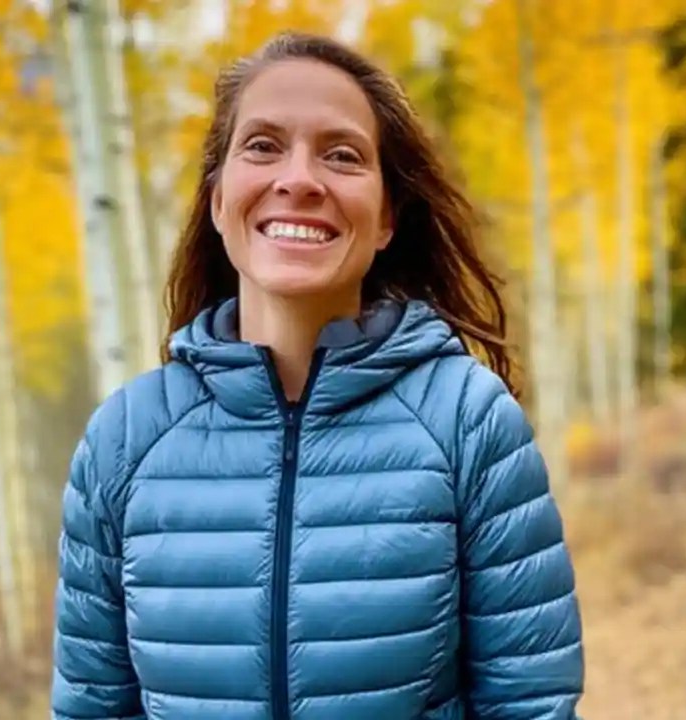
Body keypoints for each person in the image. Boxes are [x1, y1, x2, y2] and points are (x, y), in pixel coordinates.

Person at [49, 31, 585, 720]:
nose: (299, 179)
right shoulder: (125, 439)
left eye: (341, 154)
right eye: (263, 145)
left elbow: (530, 704)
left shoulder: (467, 422)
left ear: (387, 215)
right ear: (217, 201)